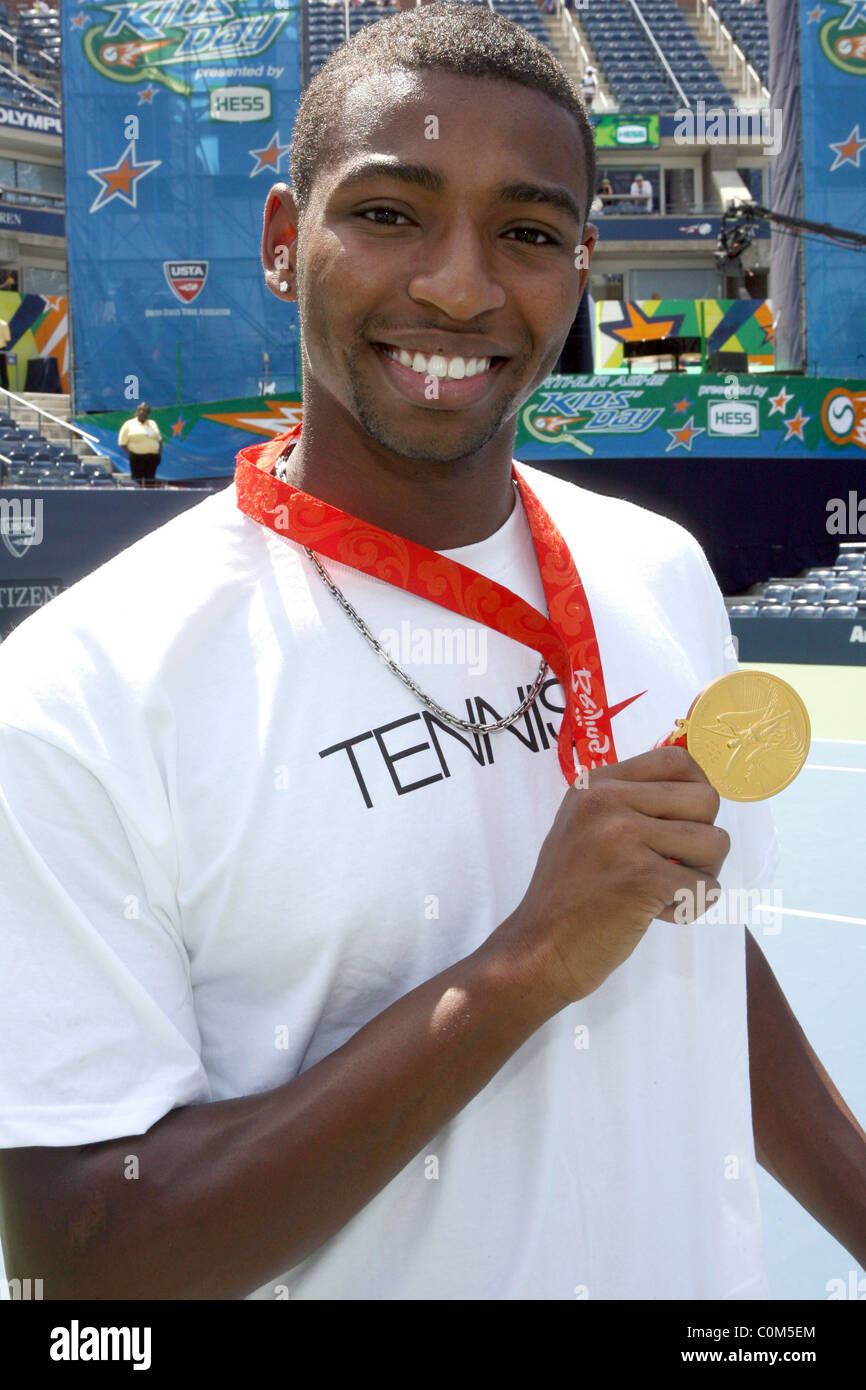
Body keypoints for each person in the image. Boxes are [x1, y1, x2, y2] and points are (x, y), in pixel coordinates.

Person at [0, 4, 864, 1302]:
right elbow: (91, 1256)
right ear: (285, 244)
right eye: (390, 213)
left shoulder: (656, 573)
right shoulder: (84, 692)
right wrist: (521, 966)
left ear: (580, 268)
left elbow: (689, 953)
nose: (458, 285)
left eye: (523, 233)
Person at [117, 400, 162, 486]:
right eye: (140, 410)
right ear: (137, 411)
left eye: (145, 411)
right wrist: (131, 455)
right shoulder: (129, 424)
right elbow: (122, 443)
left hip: (152, 458)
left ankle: (149, 498)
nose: (142, 412)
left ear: (148, 413)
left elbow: (159, 440)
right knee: (137, 481)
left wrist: (158, 455)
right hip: (137, 458)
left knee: (150, 481)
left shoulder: (152, 423)